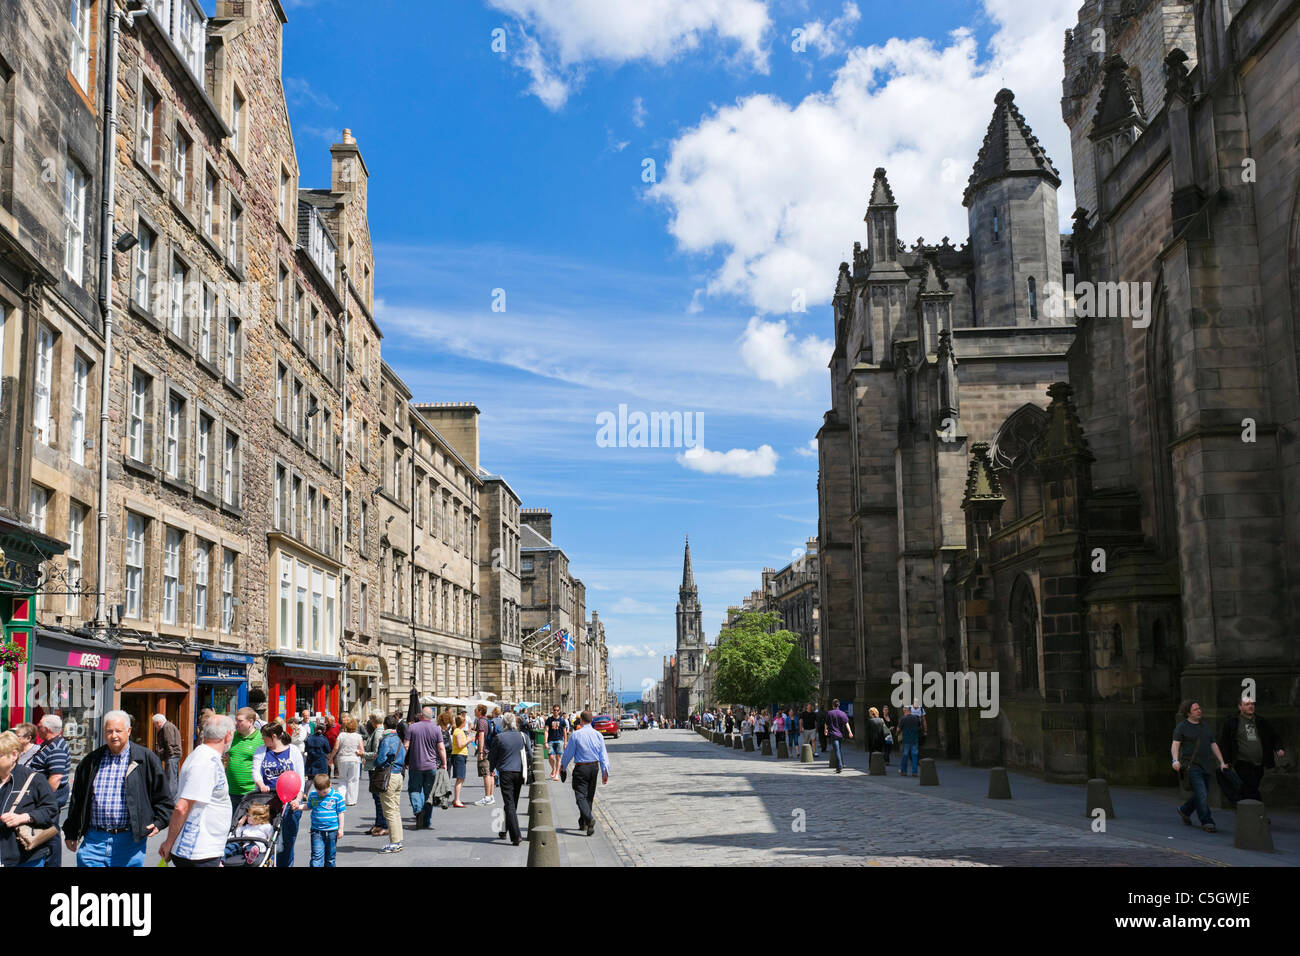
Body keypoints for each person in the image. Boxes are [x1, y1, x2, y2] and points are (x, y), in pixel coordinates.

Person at [63, 710, 172, 867]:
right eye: (109, 731)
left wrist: (160, 821)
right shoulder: (91, 761)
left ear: (128, 731)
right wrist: (71, 831)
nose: (114, 735)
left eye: (118, 731)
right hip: (94, 841)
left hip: (129, 842)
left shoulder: (145, 759)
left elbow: (164, 797)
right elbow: (77, 800)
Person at [160, 715, 234, 867]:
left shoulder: (207, 757)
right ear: (228, 736)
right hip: (197, 852)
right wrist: (169, 843)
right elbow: (182, 807)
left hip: (205, 850)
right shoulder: (205, 761)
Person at [0, 730, 59, 867]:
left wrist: (24, 817)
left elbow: (51, 810)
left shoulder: (34, 779)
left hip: (25, 858)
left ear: (14, 755)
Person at [252, 723, 306, 866]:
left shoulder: (293, 751)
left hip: (290, 801)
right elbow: (256, 771)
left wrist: (298, 798)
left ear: (274, 737)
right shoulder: (261, 750)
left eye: (264, 737)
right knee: (266, 839)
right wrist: (261, 784)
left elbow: (300, 776)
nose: (262, 739)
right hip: (267, 799)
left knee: (288, 840)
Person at [1172, 700, 1228, 832]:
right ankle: (1207, 821)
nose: (1199, 711)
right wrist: (1175, 760)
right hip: (1191, 766)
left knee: (1201, 793)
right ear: (1188, 713)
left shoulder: (1205, 727)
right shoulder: (1182, 727)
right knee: (1202, 793)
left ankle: (1185, 810)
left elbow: (1213, 744)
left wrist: (1221, 761)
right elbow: (1175, 744)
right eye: (1195, 709)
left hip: (1206, 765)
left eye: (1199, 708)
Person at [1217, 696, 1285, 804]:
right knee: (1251, 789)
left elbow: (1273, 736)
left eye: (1252, 704)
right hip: (1242, 762)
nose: (1250, 706)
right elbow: (1224, 743)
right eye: (1247, 704)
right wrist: (1223, 762)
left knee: (1249, 789)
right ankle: (1259, 815)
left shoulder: (1261, 721)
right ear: (1240, 707)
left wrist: (1278, 748)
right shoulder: (1232, 722)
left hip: (1259, 764)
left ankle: (1245, 812)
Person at [30, 714, 72, 867]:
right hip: (45, 795)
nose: (37, 728)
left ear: (46, 729)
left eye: (39, 726)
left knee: (50, 832)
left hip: (51, 797)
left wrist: (44, 800)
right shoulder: (48, 743)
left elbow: (55, 778)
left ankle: (52, 864)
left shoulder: (57, 748)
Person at [559, 711, 610, 836]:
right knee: (589, 797)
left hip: (581, 768)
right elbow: (603, 755)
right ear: (591, 720)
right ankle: (584, 823)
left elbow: (568, 754)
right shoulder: (598, 735)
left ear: (581, 720)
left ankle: (589, 818)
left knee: (580, 796)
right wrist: (605, 771)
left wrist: (563, 768)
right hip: (594, 768)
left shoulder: (576, 735)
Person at [489, 712, 533, 846]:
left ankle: (516, 835)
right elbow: (530, 755)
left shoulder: (499, 737)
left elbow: (493, 757)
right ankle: (504, 830)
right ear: (515, 723)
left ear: (503, 723)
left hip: (506, 773)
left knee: (509, 803)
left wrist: (492, 768)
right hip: (519, 773)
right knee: (512, 802)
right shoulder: (523, 736)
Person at [405, 706, 447, 830]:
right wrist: (444, 763)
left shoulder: (412, 727)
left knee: (414, 790)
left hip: (415, 766)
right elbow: (441, 748)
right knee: (429, 794)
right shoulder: (436, 728)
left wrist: (402, 761)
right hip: (431, 766)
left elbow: (406, 746)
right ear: (431, 716)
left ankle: (418, 811)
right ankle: (427, 821)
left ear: (421, 715)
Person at [374, 714, 406, 853]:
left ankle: (394, 842)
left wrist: (374, 760)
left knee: (389, 811)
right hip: (398, 774)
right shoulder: (398, 739)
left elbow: (381, 759)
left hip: (389, 776)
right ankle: (398, 840)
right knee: (396, 809)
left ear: (385, 726)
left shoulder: (387, 740)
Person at [225, 707, 261, 826]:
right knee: (230, 827)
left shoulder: (260, 739)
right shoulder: (232, 736)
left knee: (248, 828)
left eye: (240, 721)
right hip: (231, 791)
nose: (236, 723)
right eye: (236, 720)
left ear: (251, 722)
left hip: (250, 793)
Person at [307, 773, 346, 867]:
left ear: (330, 785)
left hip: (332, 831)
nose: (321, 794)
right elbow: (309, 806)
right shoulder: (313, 795)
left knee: (330, 858)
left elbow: (341, 813)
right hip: (317, 831)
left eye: (324, 792)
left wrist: (341, 829)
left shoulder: (337, 796)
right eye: (319, 792)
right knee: (316, 857)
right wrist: (298, 807)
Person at [330, 715, 365, 807]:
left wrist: (331, 758)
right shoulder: (358, 736)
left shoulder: (341, 735)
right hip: (354, 759)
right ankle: (351, 800)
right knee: (353, 780)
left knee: (342, 779)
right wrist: (363, 758)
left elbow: (336, 747)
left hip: (342, 759)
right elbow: (361, 750)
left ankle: (341, 799)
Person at [362, 714, 387, 836]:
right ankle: (378, 823)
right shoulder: (379, 731)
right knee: (377, 797)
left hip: (375, 767)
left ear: (373, 720)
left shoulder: (378, 732)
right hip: (375, 767)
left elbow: (377, 753)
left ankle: (381, 824)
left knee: (378, 798)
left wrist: (363, 754)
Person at [152, 713, 183, 796]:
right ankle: (173, 797)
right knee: (173, 778)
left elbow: (169, 742)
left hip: (172, 756)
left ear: (158, 722)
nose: (155, 727)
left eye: (155, 724)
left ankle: (170, 799)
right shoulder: (168, 726)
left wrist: (169, 755)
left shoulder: (167, 727)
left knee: (171, 778)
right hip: (173, 755)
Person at [473, 704, 496, 806]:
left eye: (476, 709)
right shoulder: (486, 720)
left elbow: (481, 736)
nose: (474, 710)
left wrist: (481, 752)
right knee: (490, 773)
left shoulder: (481, 721)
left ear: (479, 711)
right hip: (490, 750)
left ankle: (487, 797)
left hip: (485, 750)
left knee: (486, 774)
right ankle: (490, 796)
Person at [825, 699, 853, 773]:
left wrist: (826, 730)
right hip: (840, 735)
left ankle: (839, 766)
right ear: (839, 705)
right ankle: (839, 765)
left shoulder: (829, 713)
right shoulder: (842, 713)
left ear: (832, 705)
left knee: (837, 750)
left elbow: (826, 723)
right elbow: (847, 723)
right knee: (839, 750)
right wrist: (850, 732)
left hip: (833, 734)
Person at [450, 714, 471, 807]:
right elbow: (459, 745)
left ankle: (456, 798)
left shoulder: (459, 731)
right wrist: (468, 740)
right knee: (460, 778)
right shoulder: (458, 731)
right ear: (462, 723)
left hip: (460, 755)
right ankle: (457, 800)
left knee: (461, 778)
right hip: (459, 755)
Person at [544, 705, 569, 781]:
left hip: (559, 740)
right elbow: (546, 731)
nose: (556, 711)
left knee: (558, 757)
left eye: (557, 710)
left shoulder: (562, 720)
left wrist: (565, 742)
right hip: (551, 740)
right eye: (555, 710)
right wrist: (545, 742)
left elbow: (565, 732)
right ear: (552, 710)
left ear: (559, 711)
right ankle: (553, 769)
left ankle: (557, 774)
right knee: (551, 757)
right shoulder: (549, 720)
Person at [898, 707, 923, 776]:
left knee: (905, 755)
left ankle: (904, 771)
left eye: (904, 711)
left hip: (906, 739)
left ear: (905, 711)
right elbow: (920, 727)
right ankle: (914, 772)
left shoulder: (903, 718)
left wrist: (898, 733)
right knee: (914, 755)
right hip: (914, 739)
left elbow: (898, 729)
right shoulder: (916, 718)